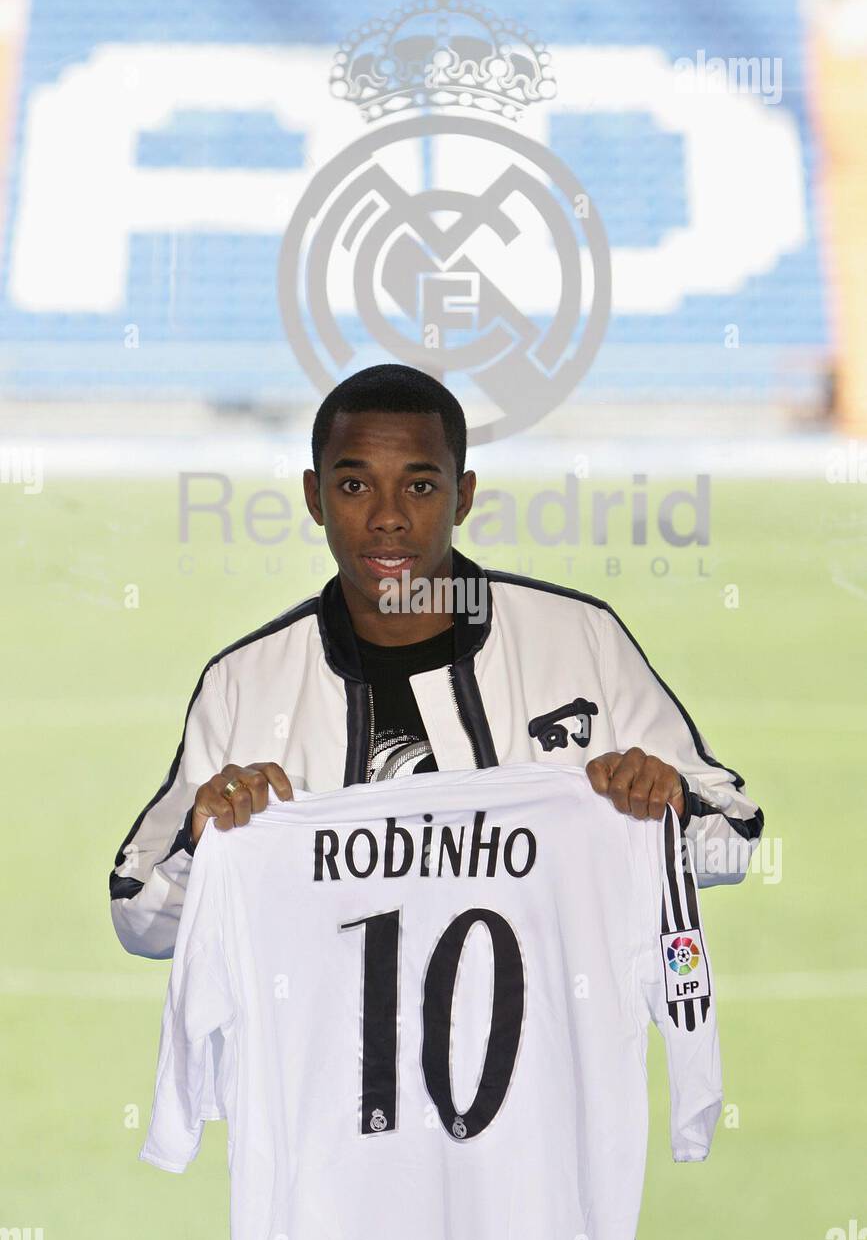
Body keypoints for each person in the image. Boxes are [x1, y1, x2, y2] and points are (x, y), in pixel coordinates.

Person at [109, 363, 763, 960]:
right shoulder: (244, 682)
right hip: (324, 1082)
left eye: (420, 485)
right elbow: (140, 918)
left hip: (542, 1079)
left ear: (463, 495)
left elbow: (733, 837)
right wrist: (202, 837)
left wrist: (669, 799)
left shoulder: (578, 636)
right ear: (314, 498)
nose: (388, 517)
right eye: (354, 484)